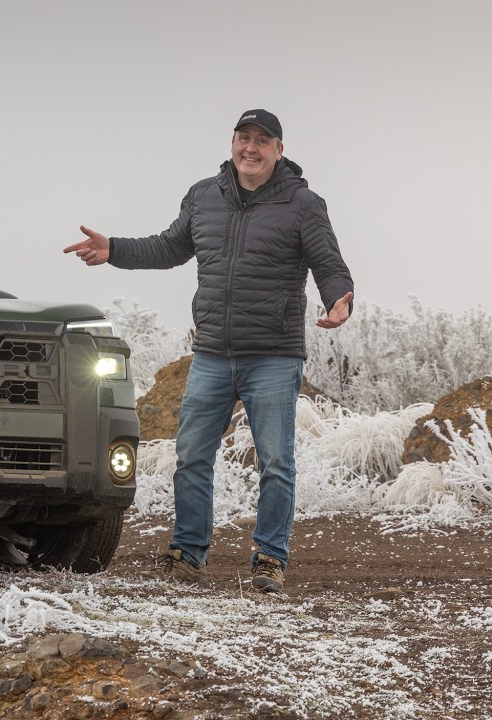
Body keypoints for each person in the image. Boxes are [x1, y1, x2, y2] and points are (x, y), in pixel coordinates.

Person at [63, 109, 354, 593]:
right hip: (213, 352)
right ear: (233, 143)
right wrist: (114, 248)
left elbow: (328, 262)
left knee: (275, 462)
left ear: (279, 151)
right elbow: (169, 247)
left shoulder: (303, 204)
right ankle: (188, 554)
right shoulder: (204, 196)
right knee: (192, 456)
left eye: (262, 141)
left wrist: (339, 297)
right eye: (244, 138)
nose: (251, 148)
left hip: (274, 354)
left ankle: (269, 559)